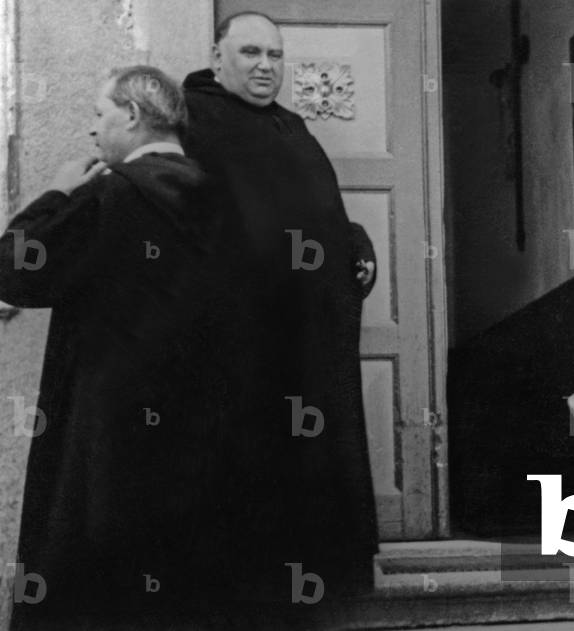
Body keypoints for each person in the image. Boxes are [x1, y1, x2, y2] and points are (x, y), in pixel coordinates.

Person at [1, 66, 218, 626]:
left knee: (90, 583)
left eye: (100, 114)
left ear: (132, 115)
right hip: (198, 428)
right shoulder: (220, 197)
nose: (93, 131)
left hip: (106, 424)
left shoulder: (113, 194)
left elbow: (14, 270)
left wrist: (54, 190)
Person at [180, 10, 378, 609]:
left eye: (274, 55)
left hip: (315, 334)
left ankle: (326, 580)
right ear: (218, 60)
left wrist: (355, 244)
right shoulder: (196, 122)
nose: (266, 67)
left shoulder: (291, 125)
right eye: (250, 54)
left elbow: (318, 210)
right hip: (249, 339)